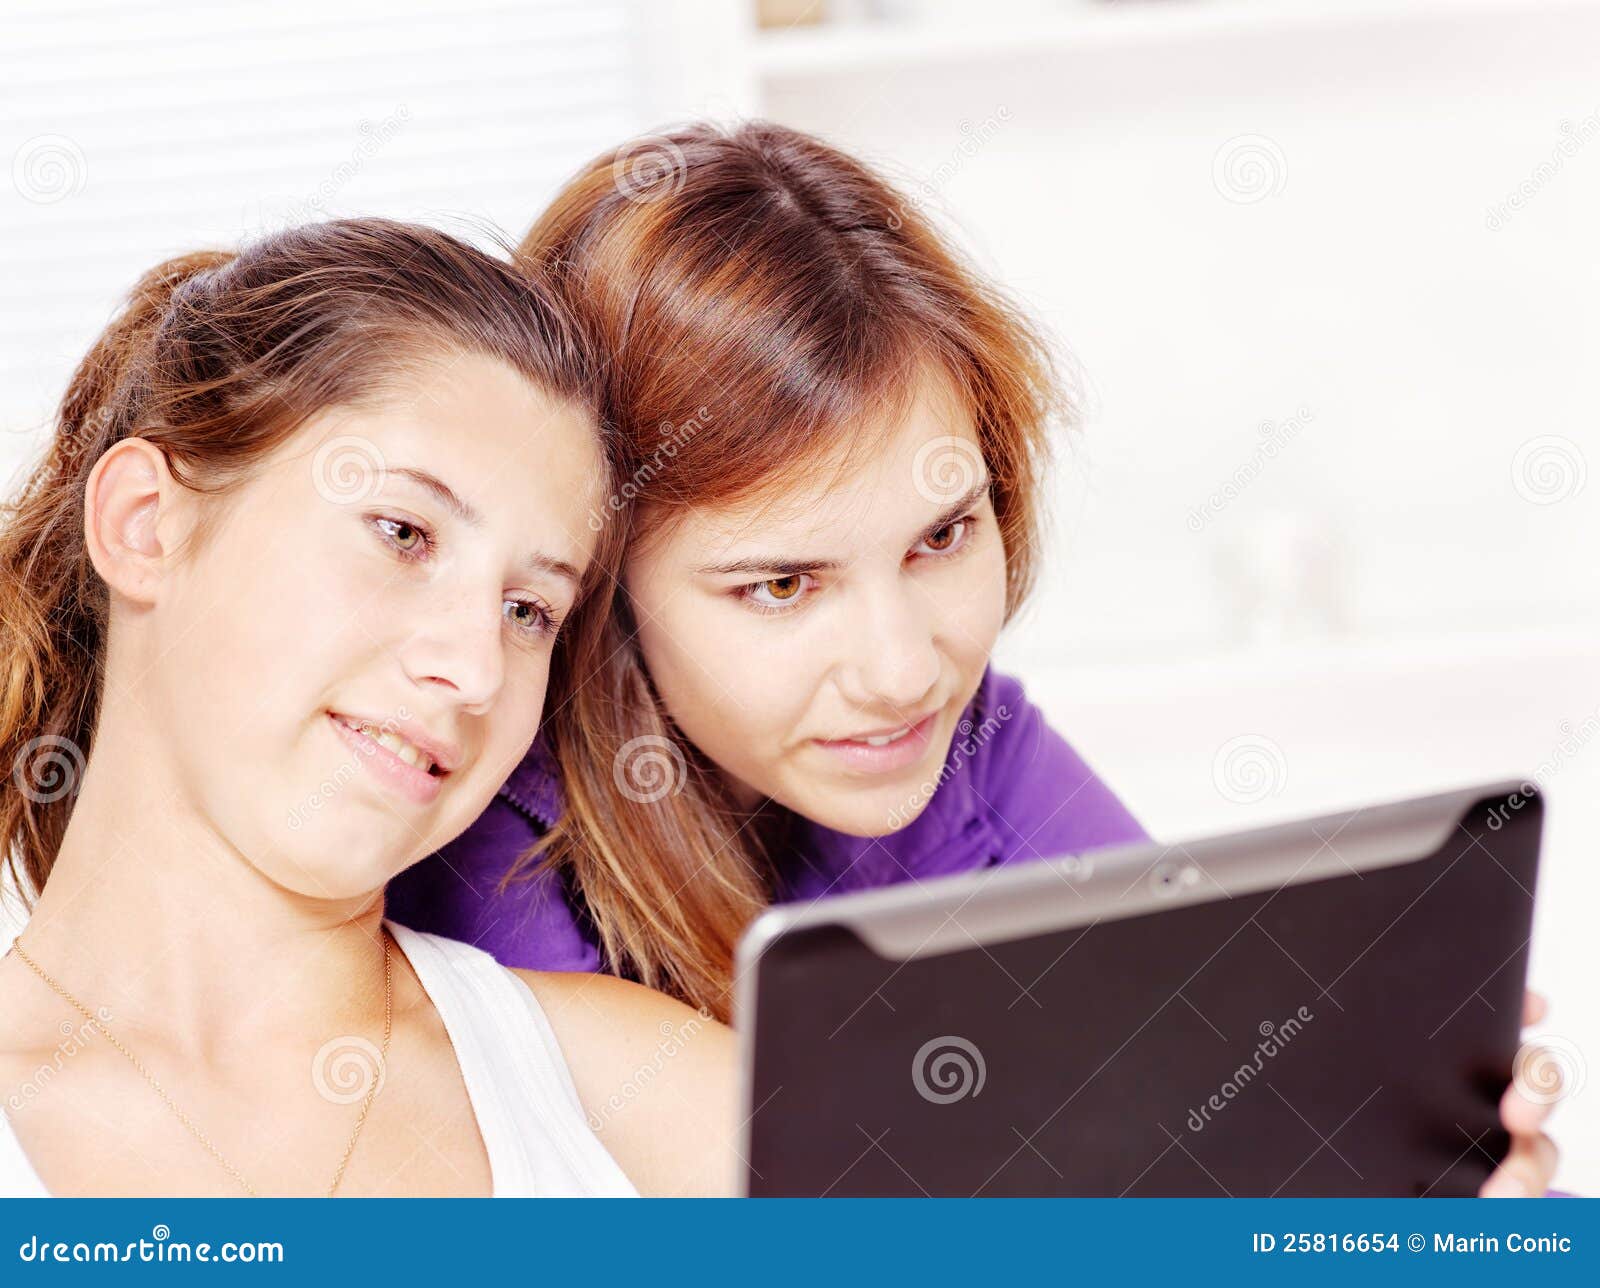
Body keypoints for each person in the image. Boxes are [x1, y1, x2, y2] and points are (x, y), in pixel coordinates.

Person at [389, 123, 1561, 1198]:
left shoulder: (975, 751)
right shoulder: (480, 840)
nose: (904, 671)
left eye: (942, 535)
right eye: (782, 585)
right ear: (600, 583)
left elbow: (1207, 1089)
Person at [0, 219, 734, 1198]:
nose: (475, 667)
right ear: (146, 525)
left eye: (528, 610)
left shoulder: (652, 1106)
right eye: (402, 532)